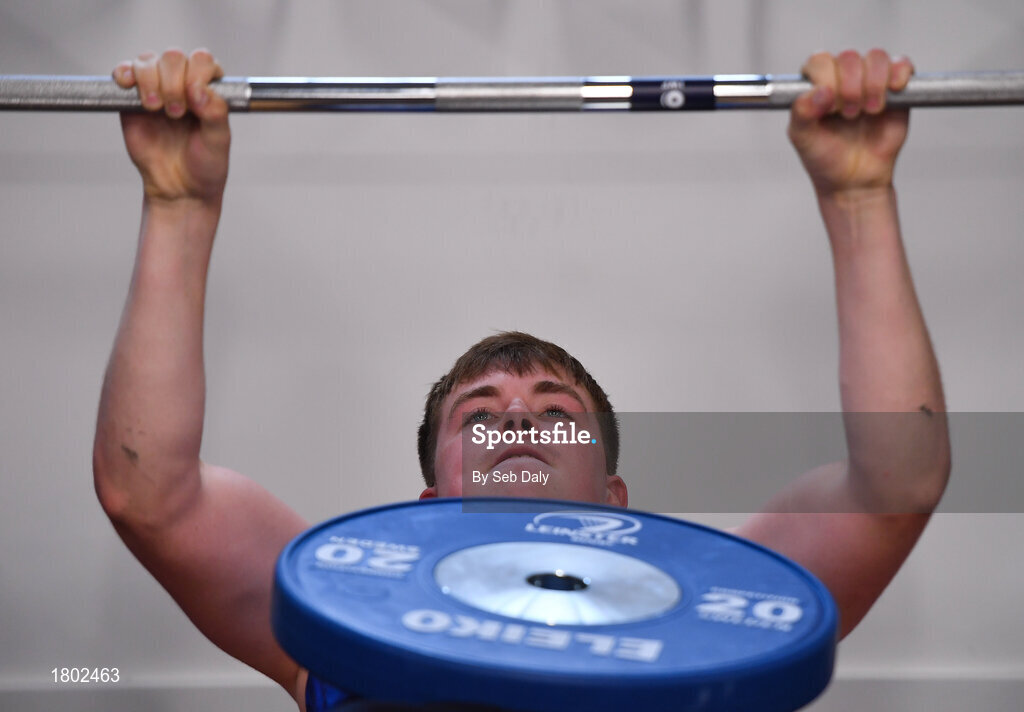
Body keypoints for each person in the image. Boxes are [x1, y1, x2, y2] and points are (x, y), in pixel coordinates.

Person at [93, 47, 950, 711]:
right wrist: (180, 206)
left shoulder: (707, 631)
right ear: (426, 507)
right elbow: (151, 494)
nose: (517, 421)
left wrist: (858, 197)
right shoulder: (350, 623)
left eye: (554, 410)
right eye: (480, 414)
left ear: (618, 503)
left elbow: (896, 483)